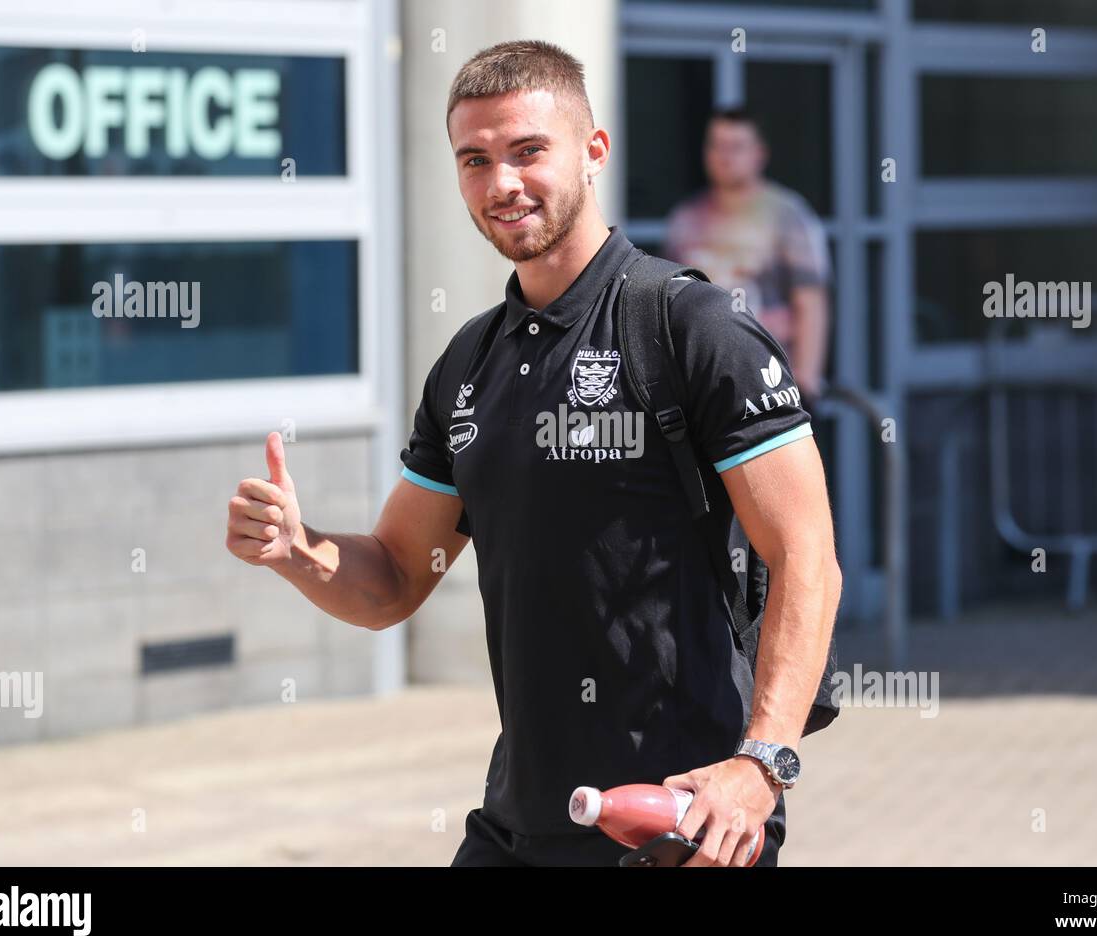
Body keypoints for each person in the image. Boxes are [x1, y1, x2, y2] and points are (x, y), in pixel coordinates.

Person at [225, 39, 842, 867]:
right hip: (520, 821)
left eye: (527, 151)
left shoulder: (690, 329)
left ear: (594, 152)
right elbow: (400, 577)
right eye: (474, 159)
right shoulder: (467, 365)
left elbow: (807, 555)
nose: (501, 184)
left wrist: (761, 765)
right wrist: (298, 552)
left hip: (681, 819)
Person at [664, 109, 833, 405]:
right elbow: (670, 302)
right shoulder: (685, 218)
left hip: (773, 384)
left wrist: (806, 382)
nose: (724, 156)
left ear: (759, 154)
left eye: (736, 147)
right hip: (702, 385)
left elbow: (810, 302)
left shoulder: (787, 215)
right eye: (716, 145)